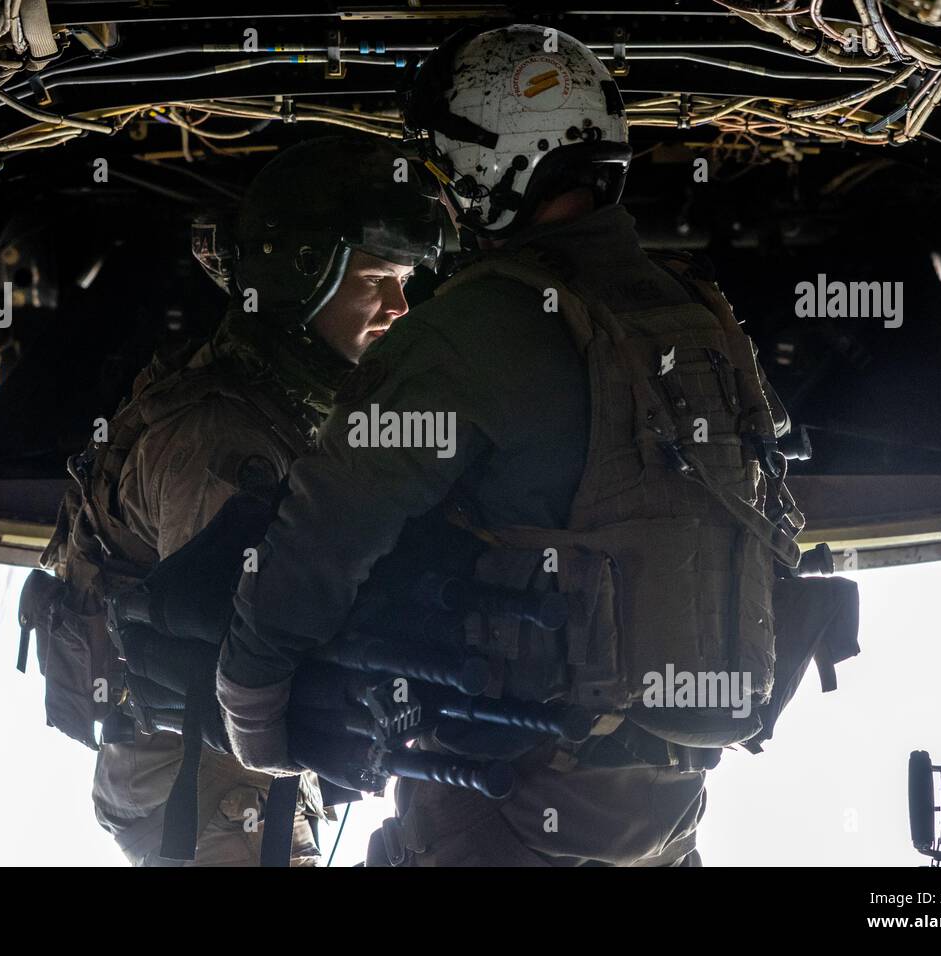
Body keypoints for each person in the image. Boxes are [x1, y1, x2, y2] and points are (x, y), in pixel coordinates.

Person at [216, 24, 804, 866]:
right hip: (669, 801)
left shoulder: (477, 327)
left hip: (513, 789)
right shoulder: (699, 315)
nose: (448, 201)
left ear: (491, 169)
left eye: (446, 175)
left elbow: (327, 522)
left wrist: (252, 704)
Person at [23, 135, 444, 866]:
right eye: (378, 278)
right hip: (208, 783)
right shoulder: (226, 439)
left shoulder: (256, 395)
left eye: (405, 280)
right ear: (304, 279)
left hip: (211, 772)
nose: (400, 307)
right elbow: (240, 649)